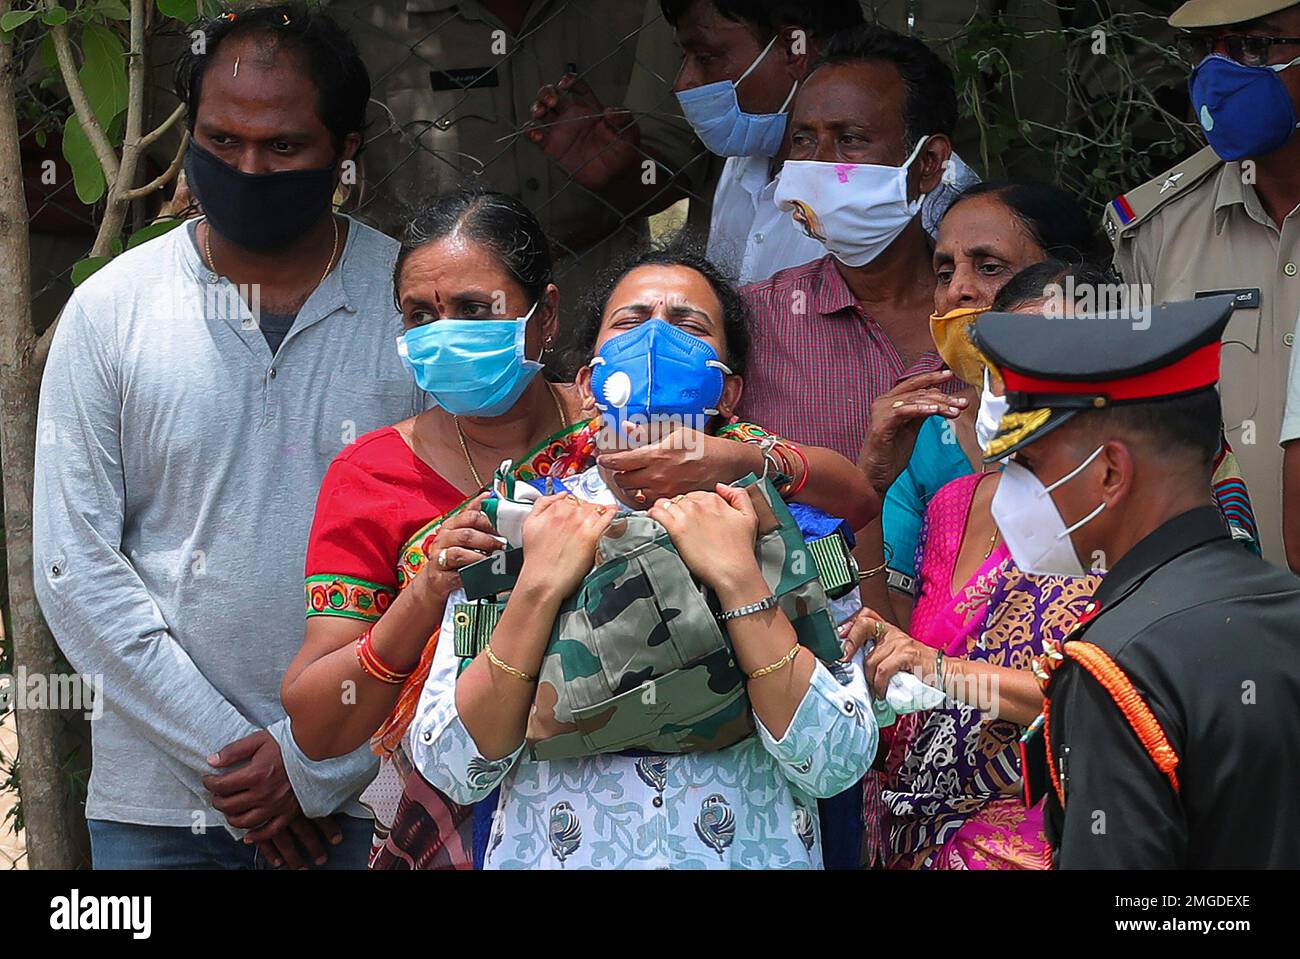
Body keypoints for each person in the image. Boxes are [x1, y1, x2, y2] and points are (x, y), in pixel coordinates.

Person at [280, 191, 878, 867]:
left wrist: (739, 578)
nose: (657, 336)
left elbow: (837, 761)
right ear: (590, 383)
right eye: (631, 320)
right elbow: (452, 766)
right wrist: (537, 586)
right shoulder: (515, 528)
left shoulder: (784, 524)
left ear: (730, 390)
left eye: (688, 324)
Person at [31, 5, 417, 870]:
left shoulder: (415, 310)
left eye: (283, 147)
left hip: (380, 798)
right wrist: (239, 764)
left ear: (346, 148)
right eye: (222, 140)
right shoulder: (110, 311)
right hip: (159, 809)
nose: (247, 166)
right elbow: (75, 568)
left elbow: (461, 572)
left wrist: (314, 766)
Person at [973, 293, 1300, 868]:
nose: (1011, 492)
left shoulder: (1118, 664)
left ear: (1108, 473)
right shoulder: (1284, 604)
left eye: (1028, 464)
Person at [331, 0, 703, 333]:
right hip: (434, 333)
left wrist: (620, 173)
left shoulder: (638, 13)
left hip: (599, 324)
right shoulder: (356, 28)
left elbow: (681, 167)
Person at [857, 180, 1104, 627]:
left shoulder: (1148, 440)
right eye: (945, 273)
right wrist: (869, 490)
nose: (957, 292)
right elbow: (889, 638)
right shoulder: (923, 438)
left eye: (989, 268)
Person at [1107, 0, 1300, 565]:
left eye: (1254, 46)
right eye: (1207, 48)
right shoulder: (1157, 231)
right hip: (1213, 617)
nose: (1219, 73)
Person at [735, 23, 968, 462]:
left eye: (850, 140)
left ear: (929, 163)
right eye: (803, 140)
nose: (818, 164)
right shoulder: (755, 324)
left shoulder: (996, 313)